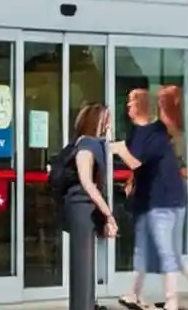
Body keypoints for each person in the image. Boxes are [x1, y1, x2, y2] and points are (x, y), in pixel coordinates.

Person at [117, 86, 188, 310]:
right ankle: (135, 294)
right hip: (155, 200)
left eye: (132, 101)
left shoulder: (154, 132)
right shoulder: (146, 131)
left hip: (162, 201)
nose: (127, 105)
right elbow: (142, 165)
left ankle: (172, 301)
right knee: (148, 249)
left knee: (166, 251)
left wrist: (116, 148)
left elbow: (135, 161)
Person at [66, 103, 118, 310]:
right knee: (83, 266)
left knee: (87, 265)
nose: (109, 123)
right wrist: (108, 213)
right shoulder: (86, 146)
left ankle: (87, 304)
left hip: (87, 208)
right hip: (81, 207)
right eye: (107, 119)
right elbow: (87, 183)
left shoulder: (95, 144)